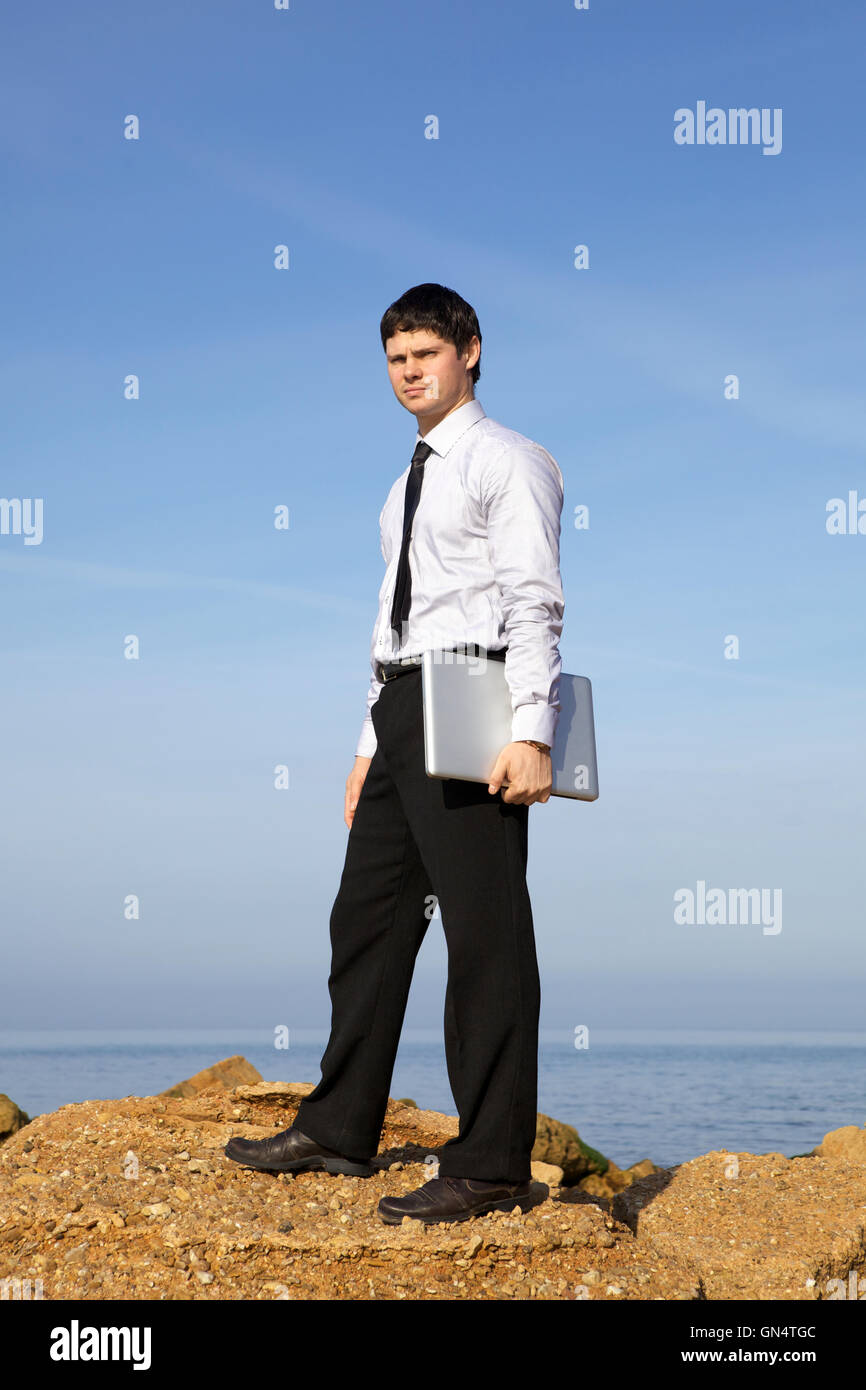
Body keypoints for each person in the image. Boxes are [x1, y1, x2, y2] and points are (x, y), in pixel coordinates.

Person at [226, 282, 565, 1225]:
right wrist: (367, 744)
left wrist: (531, 730)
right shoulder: (400, 484)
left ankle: (493, 1163)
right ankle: (339, 1128)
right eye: (396, 359)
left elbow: (534, 600)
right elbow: (394, 624)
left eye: (426, 353)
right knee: (366, 919)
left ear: (472, 351)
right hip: (405, 707)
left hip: (479, 697)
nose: (410, 371)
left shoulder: (510, 460)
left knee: (484, 933)